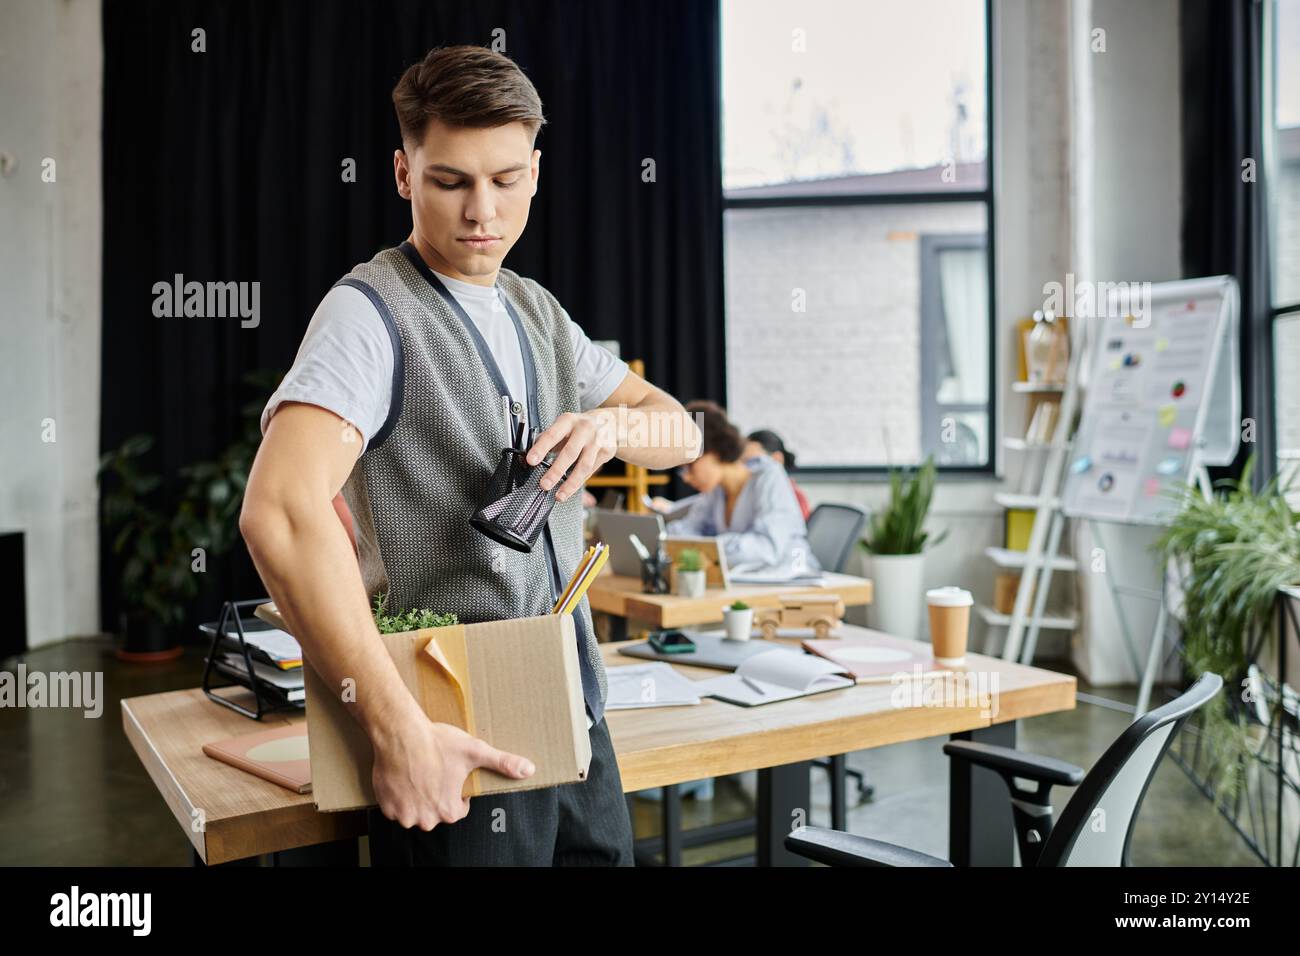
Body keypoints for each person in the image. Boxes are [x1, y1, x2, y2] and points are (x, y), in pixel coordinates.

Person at [240, 45, 700, 866]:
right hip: (447, 719)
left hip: (572, 699)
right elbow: (279, 511)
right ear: (403, 173)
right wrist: (397, 732)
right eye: (450, 181)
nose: (481, 211)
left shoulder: (537, 309)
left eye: (506, 179)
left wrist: (612, 430)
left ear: (536, 170)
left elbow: (682, 433)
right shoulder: (366, 314)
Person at [668, 401, 819, 575]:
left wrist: (706, 547)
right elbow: (688, 529)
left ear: (715, 451)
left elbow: (765, 548)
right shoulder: (715, 490)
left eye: (691, 465)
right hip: (746, 579)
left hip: (793, 577)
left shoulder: (768, 476)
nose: (686, 476)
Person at [743, 429, 812, 522]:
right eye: (742, 461)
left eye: (754, 462)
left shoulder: (794, 498)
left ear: (777, 459)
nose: (745, 468)